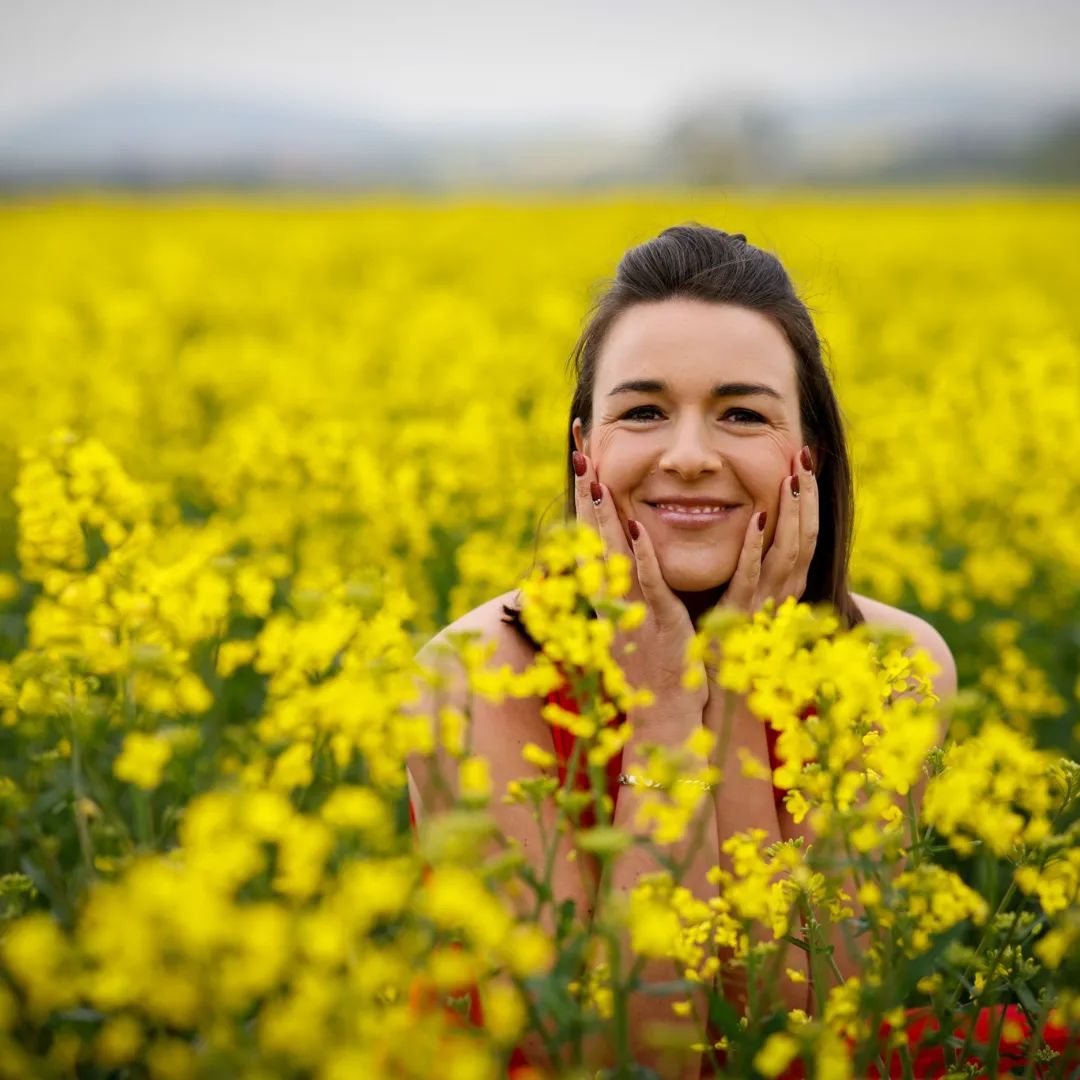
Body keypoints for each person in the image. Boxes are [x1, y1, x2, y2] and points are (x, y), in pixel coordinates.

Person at [406, 224, 959, 1076]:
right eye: (644, 412)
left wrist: (735, 692)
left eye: (742, 414)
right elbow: (620, 1055)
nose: (691, 456)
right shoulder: (476, 673)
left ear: (807, 456)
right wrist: (665, 710)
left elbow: (799, 1030)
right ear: (584, 452)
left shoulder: (893, 665)